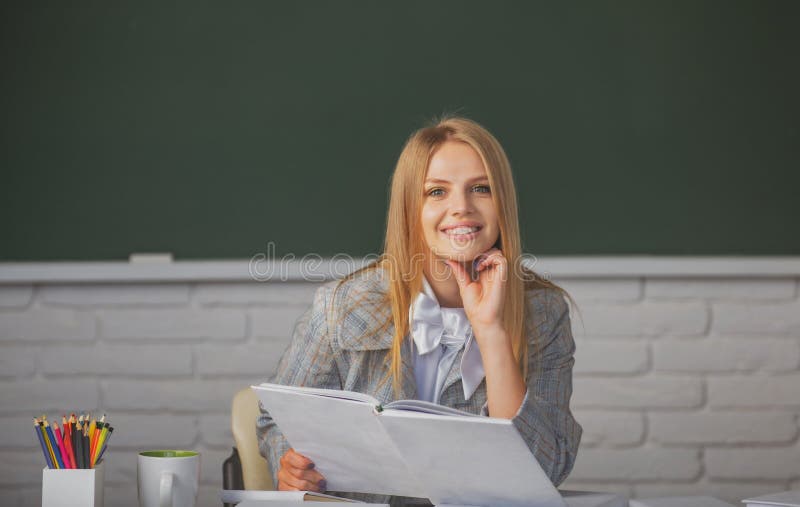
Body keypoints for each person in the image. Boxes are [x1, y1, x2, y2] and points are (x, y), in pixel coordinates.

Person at [256, 116, 582, 506]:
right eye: (437, 192)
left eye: (481, 188)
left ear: (503, 203)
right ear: (411, 208)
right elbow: (275, 419)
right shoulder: (344, 304)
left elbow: (544, 469)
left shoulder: (543, 313)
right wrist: (289, 463)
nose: (461, 208)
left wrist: (490, 330)